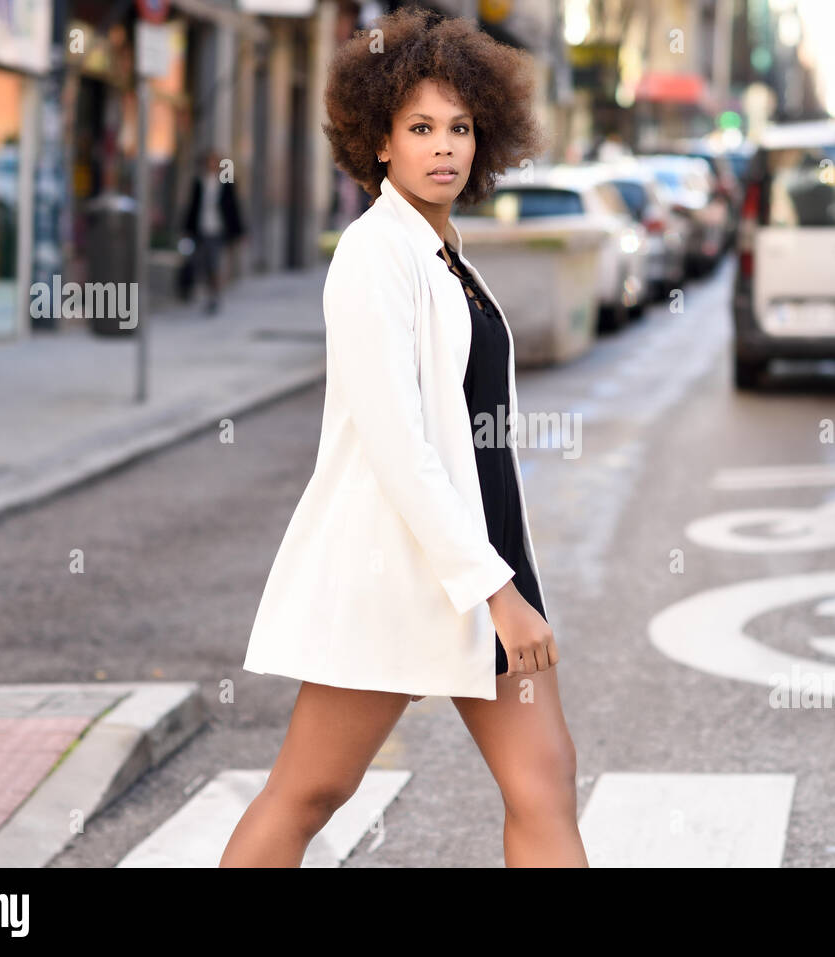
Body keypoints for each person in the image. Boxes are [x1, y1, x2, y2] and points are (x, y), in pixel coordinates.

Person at [221, 6, 587, 867]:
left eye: (459, 128)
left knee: (545, 782)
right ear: (379, 141)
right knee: (310, 790)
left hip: (488, 563)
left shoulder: (446, 255)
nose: (444, 146)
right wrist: (494, 588)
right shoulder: (371, 254)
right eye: (420, 127)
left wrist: (505, 576)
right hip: (401, 572)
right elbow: (399, 446)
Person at [182, 150, 245, 314]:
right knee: (202, 264)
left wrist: (239, 231)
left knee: (215, 263)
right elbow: (192, 207)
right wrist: (187, 228)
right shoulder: (199, 183)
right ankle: (209, 291)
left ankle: (215, 295)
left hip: (218, 230)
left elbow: (233, 208)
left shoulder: (226, 183)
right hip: (201, 229)